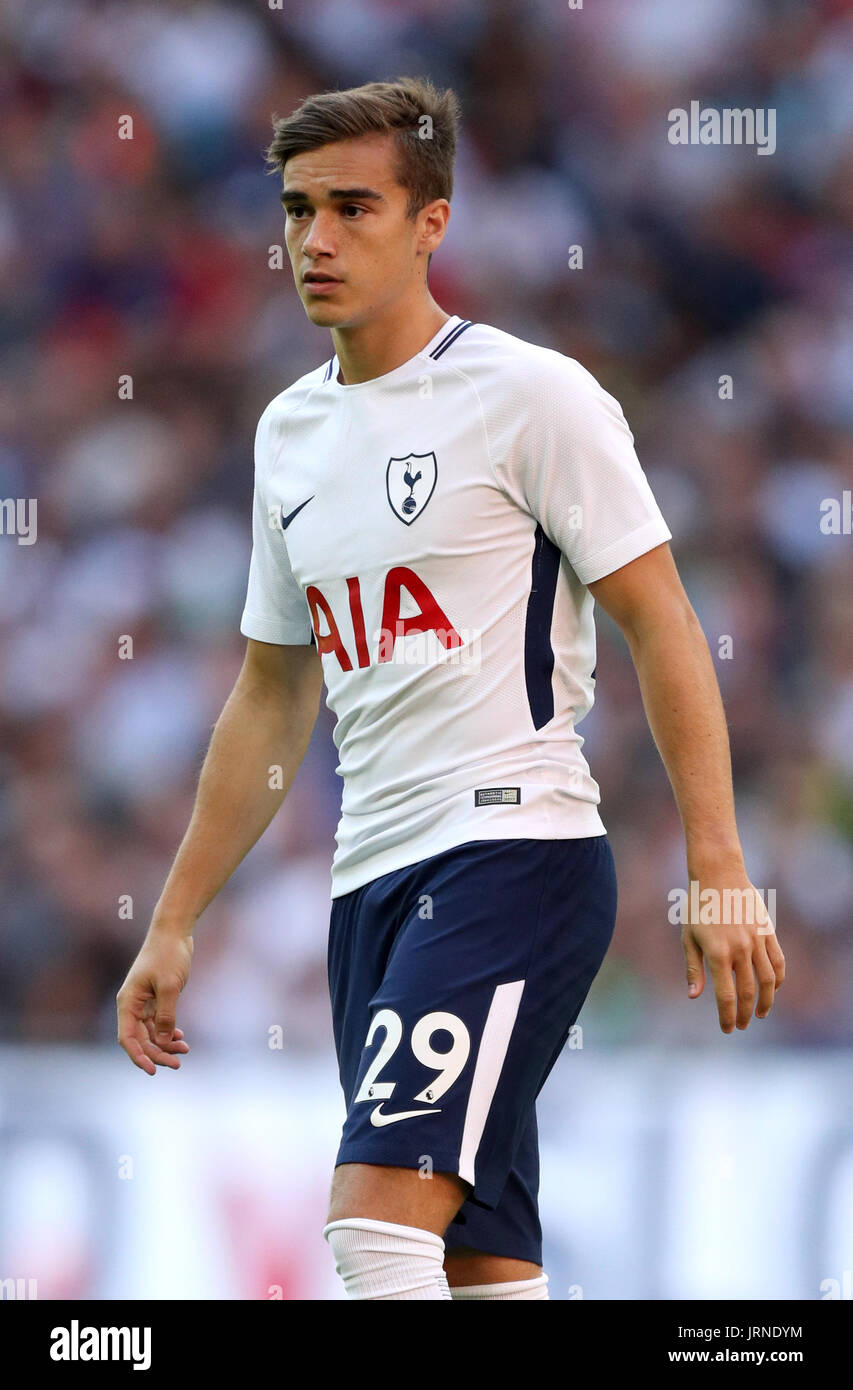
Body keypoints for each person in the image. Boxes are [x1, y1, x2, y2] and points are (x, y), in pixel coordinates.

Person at [117, 76, 785, 1302]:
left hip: (508, 853)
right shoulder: (288, 435)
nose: (314, 240)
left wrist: (720, 865)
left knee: (374, 1232)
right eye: (297, 209)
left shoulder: (531, 395)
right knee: (482, 1269)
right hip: (367, 886)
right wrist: (173, 917)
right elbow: (271, 693)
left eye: (353, 208)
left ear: (431, 223)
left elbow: (664, 619)